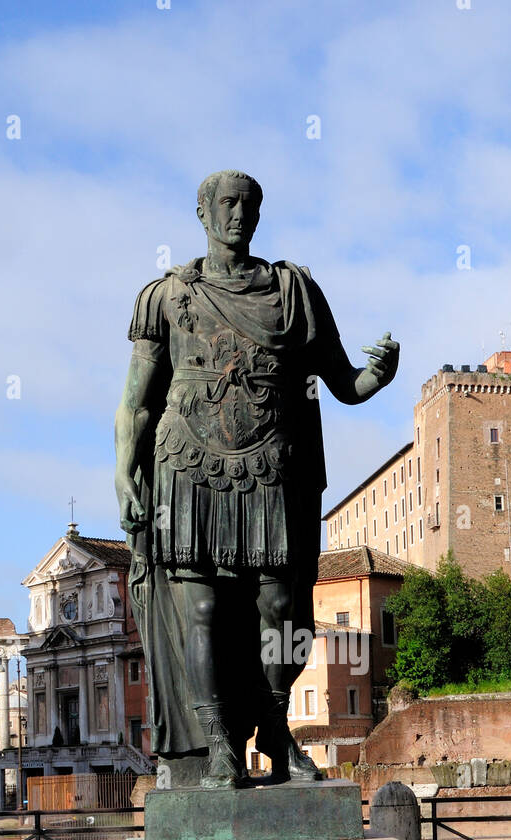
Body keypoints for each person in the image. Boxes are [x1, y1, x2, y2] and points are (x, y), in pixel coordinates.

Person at [115, 170, 399, 789]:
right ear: (201, 212)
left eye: (249, 204)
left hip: (271, 465)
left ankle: (274, 728)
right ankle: (218, 744)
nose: (238, 213)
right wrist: (123, 471)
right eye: (226, 203)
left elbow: (343, 382)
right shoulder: (166, 297)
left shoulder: (292, 291)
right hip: (187, 467)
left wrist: (378, 377)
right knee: (205, 609)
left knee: (282, 602)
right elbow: (137, 401)